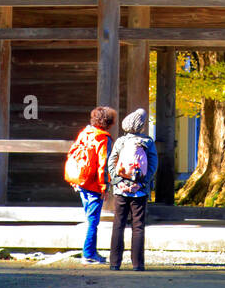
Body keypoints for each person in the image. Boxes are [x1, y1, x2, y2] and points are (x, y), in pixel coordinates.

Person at [107, 108, 158, 272]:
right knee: (138, 226)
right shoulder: (148, 142)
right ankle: (137, 264)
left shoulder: (120, 142)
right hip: (139, 191)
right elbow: (153, 166)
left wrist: (118, 182)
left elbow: (111, 163)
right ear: (142, 126)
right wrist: (141, 184)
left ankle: (115, 263)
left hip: (121, 190)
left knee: (118, 224)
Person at [64, 106, 115, 264]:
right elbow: (103, 164)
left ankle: (92, 251)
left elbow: (73, 154)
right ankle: (88, 254)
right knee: (93, 220)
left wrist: (74, 178)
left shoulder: (84, 133)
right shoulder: (103, 138)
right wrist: (104, 186)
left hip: (81, 180)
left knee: (90, 218)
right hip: (93, 182)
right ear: (108, 122)